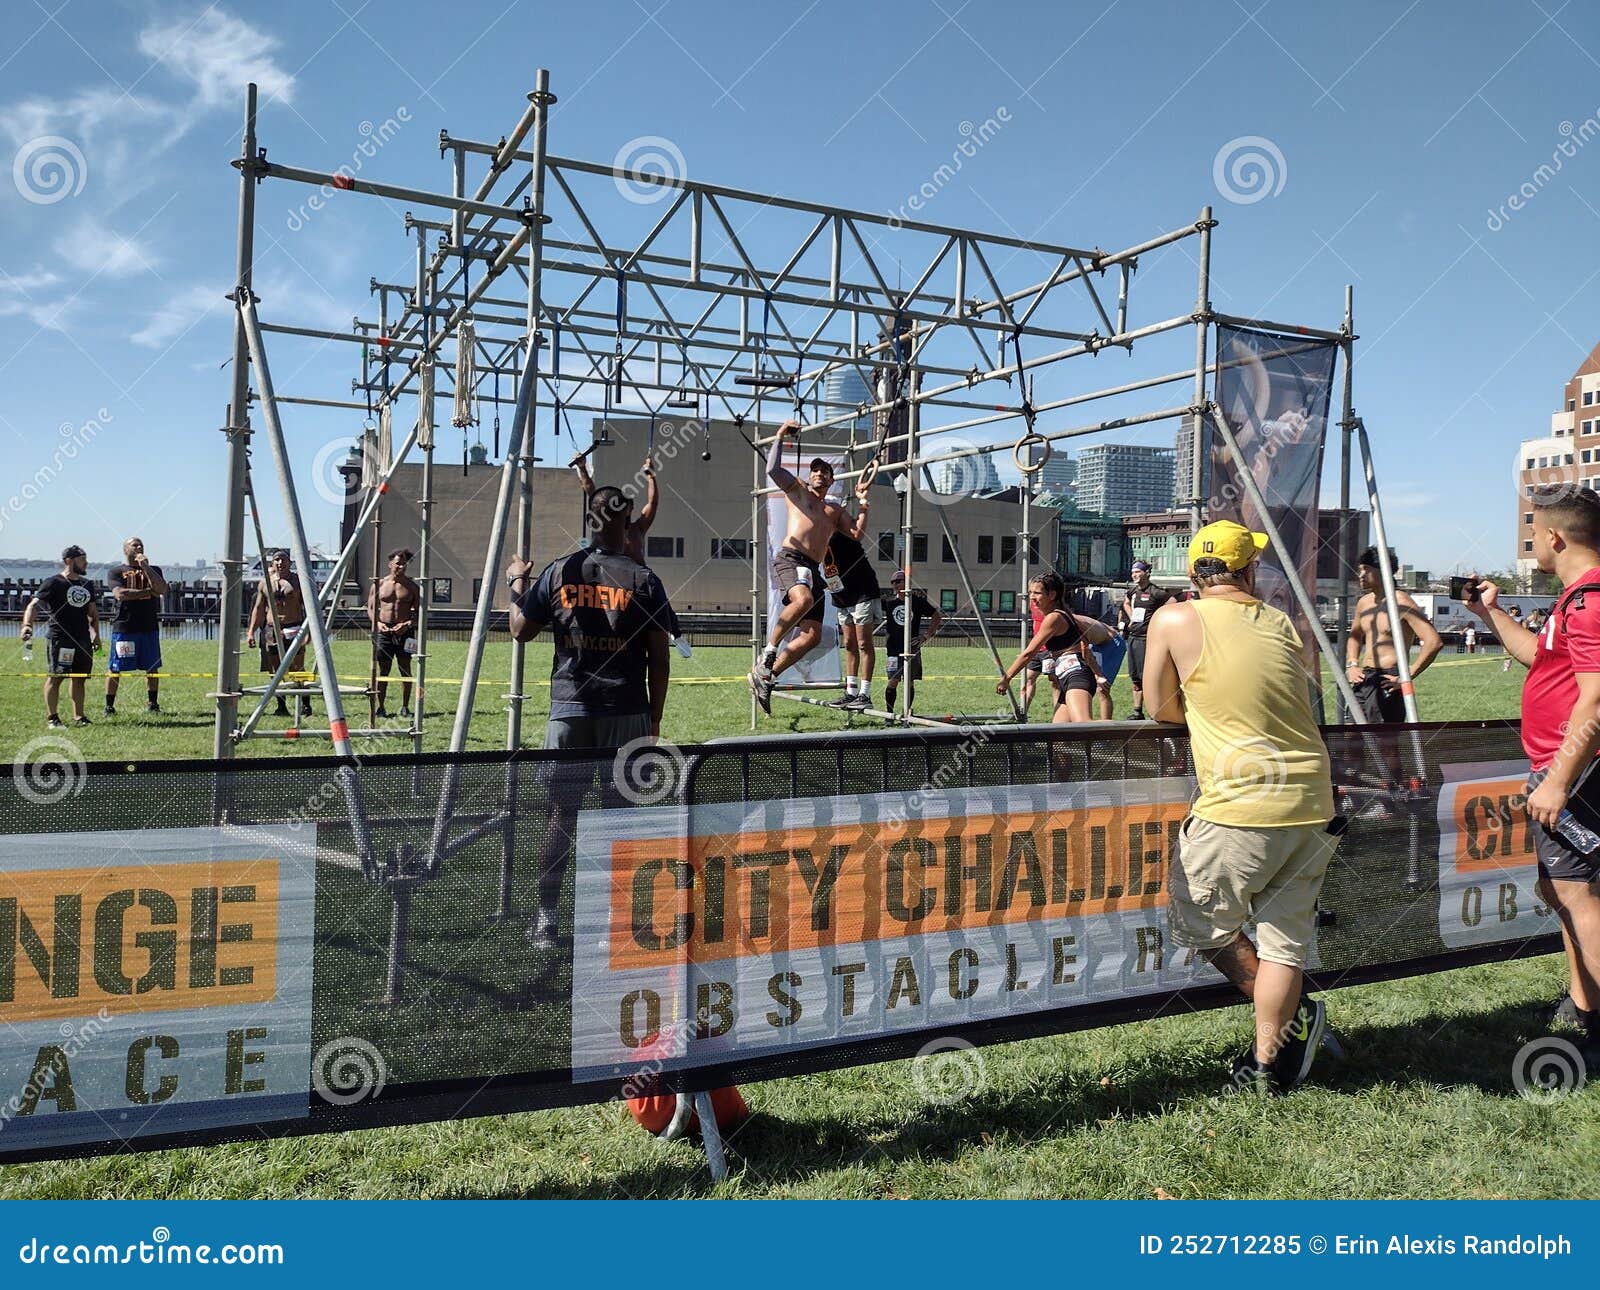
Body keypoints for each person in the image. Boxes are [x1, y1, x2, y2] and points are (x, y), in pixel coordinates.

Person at [1142, 520, 1339, 1095]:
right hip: (1310, 799)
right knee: (1284, 946)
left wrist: (1201, 714)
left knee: (1198, 921)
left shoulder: (1175, 617)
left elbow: (1159, 707)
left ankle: (1287, 1029)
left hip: (1240, 805)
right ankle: (1267, 1064)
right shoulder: (1279, 621)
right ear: (1248, 570)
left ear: (1193, 573)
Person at [507, 485, 675, 951]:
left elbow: (519, 631)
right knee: (619, 820)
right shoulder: (644, 579)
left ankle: (547, 920)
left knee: (562, 816)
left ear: (591, 521)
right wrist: (654, 722)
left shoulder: (560, 570)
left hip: (571, 712)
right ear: (627, 527)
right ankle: (612, 922)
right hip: (627, 712)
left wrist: (516, 582)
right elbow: (659, 660)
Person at [1466, 485, 1600, 1067]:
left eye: (1534, 529)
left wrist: (1558, 779)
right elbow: (1539, 658)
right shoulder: (1572, 599)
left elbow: (1595, 700)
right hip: (1560, 770)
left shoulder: (1590, 599)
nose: (1531, 539)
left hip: (1574, 774)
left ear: (1555, 537)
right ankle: (1583, 1004)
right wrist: (1489, 612)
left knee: (1579, 896)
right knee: (1562, 890)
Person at [748, 422, 871, 714]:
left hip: (813, 568)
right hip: (790, 558)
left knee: (813, 635)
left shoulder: (834, 509)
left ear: (830, 479)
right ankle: (768, 653)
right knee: (802, 601)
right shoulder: (798, 491)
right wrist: (779, 437)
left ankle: (767, 676)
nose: (818, 473)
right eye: (814, 470)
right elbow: (773, 471)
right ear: (809, 476)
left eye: (824, 471)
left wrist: (864, 503)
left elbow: (855, 534)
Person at [997, 572, 1112, 724]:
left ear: (1052, 595)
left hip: (1076, 676)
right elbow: (1085, 648)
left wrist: (1007, 679)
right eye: (1030, 592)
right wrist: (1097, 674)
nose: (1032, 597)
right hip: (1067, 676)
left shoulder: (1054, 618)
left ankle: (1130, 735)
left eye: (1037, 593)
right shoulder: (1064, 615)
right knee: (1059, 737)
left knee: (1083, 723)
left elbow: (1029, 653)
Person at [1344, 546, 1442, 724]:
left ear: (1383, 572)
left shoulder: (1401, 601)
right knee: (1352, 737)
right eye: (1360, 570)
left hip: (1388, 679)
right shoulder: (1363, 603)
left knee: (1385, 743)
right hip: (1364, 677)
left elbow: (1433, 642)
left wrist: (1407, 675)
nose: (1361, 575)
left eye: (1366, 570)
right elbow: (1355, 636)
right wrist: (1352, 664)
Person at [20, 545, 100, 728]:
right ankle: (53, 718)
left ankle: (79, 717)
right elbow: (34, 606)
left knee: (79, 678)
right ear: (69, 561)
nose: (86, 563)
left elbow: (93, 613)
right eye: (82, 559)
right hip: (60, 638)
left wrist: (96, 635)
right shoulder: (53, 582)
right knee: (56, 676)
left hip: (83, 639)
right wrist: (26, 625)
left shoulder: (87, 584)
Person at [103, 536, 166, 716]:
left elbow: (161, 589)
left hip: (149, 625)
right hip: (125, 626)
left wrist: (145, 567)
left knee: (152, 666)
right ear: (125, 550)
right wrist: (148, 592)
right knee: (116, 667)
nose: (138, 547)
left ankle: (153, 703)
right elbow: (120, 594)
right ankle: (109, 706)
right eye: (134, 545)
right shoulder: (116, 572)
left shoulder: (154, 570)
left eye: (141, 545)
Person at [823, 526, 882, 711]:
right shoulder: (815, 539)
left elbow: (857, 529)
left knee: (864, 643)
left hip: (862, 592)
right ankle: (851, 692)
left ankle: (865, 694)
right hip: (841, 596)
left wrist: (863, 504)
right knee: (849, 644)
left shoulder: (840, 533)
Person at [247, 549, 309, 718]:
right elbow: (258, 609)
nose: (280, 563)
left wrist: (308, 631)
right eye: (277, 561)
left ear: (289, 562)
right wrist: (251, 631)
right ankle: (281, 705)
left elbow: (309, 607)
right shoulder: (264, 583)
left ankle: (305, 704)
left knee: (297, 666)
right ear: (272, 564)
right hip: (272, 628)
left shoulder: (298, 582)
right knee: (275, 668)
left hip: (294, 626)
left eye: (283, 560)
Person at [572, 451, 659, 567]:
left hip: (634, 582)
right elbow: (592, 493)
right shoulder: (603, 523)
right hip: (606, 580)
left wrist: (651, 476)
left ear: (631, 508)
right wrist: (582, 468)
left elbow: (653, 502)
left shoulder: (638, 529)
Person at [368, 548, 420, 719]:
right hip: (384, 632)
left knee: (405, 669)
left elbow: (420, 613)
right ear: (390, 564)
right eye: (398, 563)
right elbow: (370, 609)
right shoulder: (379, 584)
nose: (401, 566)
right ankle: (380, 707)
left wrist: (407, 624)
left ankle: (405, 707)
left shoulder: (412, 586)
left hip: (405, 632)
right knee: (383, 671)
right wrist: (377, 623)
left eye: (404, 563)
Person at [882, 570, 942, 715]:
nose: (895, 585)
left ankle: (907, 713)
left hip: (912, 647)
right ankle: (889, 714)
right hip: (893, 648)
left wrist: (926, 636)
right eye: (893, 582)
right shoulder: (888, 602)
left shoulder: (917, 601)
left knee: (910, 682)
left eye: (898, 581)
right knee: (893, 681)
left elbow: (936, 616)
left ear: (907, 582)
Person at [1121, 559, 1173, 719]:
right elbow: (1126, 602)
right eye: (1132, 572)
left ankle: (1154, 710)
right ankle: (1137, 711)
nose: (1134, 575)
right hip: (1133, 638)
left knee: (1148, 677)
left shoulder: (1156, 592)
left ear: (1146, 573)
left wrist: (1158, 624)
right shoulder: (1133, 591)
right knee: (1135, 676)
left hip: (1147, 640)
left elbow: (1173, 603)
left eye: (1137, 572)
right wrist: (1130, 618)